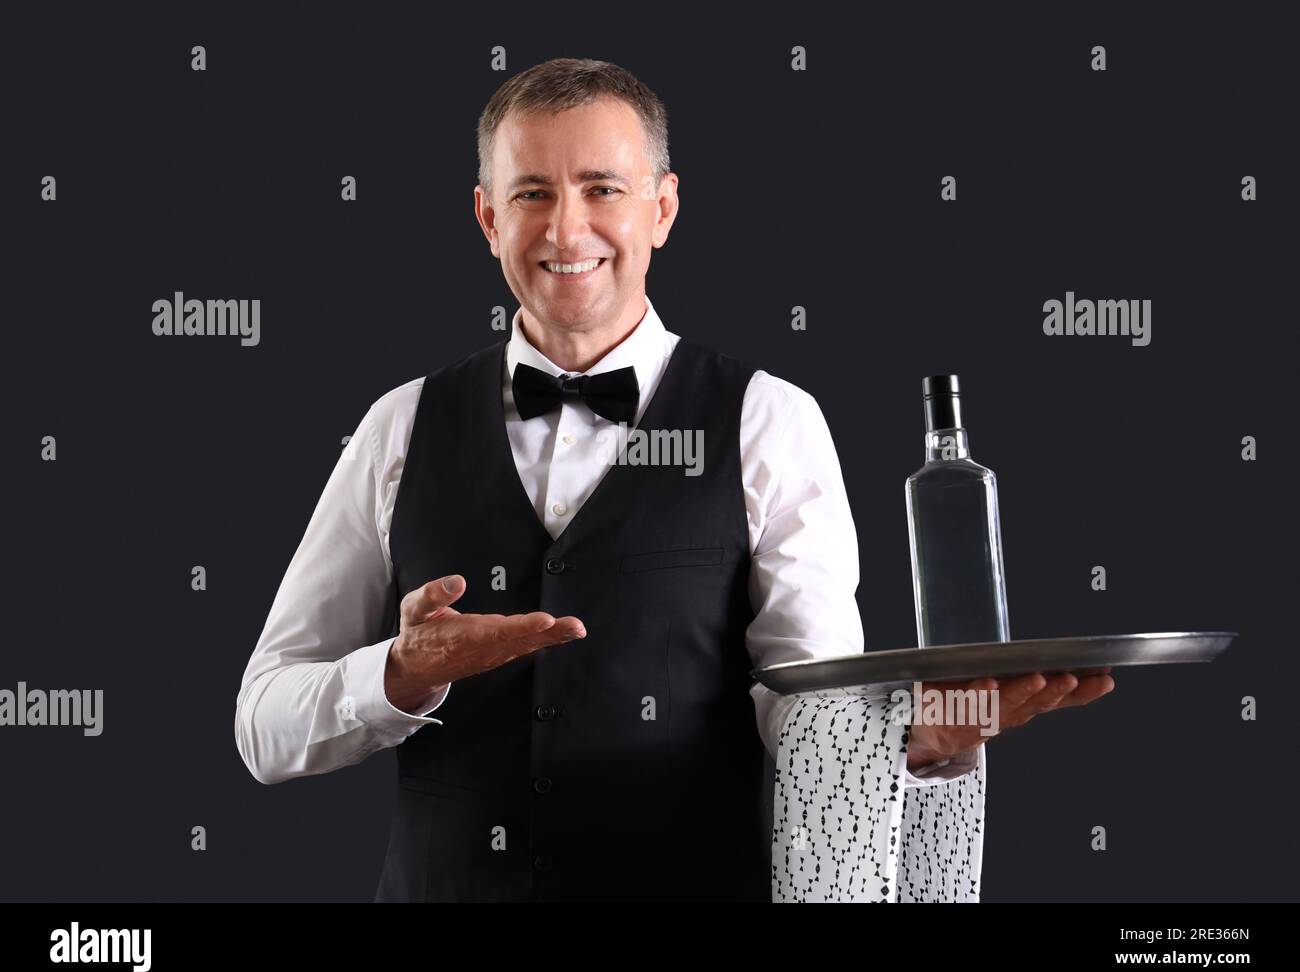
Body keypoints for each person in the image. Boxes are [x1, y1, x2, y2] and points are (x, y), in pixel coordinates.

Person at [234, 57, 1113, 902]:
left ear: (663, 207)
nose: (566, 229)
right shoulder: (398, 425)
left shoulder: (771, 418)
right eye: (532, 193)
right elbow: (263, 726)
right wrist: (397, 674)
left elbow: (812, 700)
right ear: (488, 218)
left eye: (602, 189)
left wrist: (922, 736)